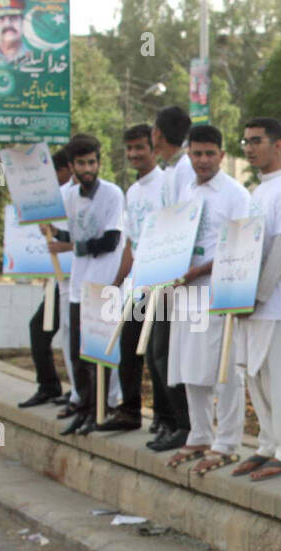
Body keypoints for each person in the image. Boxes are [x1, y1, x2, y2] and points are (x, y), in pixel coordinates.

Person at [163, 125, 252, 474]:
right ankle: (199, 434)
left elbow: (241, 245)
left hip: (219, 290)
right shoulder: (185, 190)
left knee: (223, 367)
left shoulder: (236, 195)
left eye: (209, 154)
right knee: (190, 365)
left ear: (222, 155)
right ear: (189, 155)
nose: (202, 160)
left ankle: (228, 442)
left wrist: (199, 271)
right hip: (186, 291)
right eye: (196, 154)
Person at [230, 117, 281, 482]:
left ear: (278, 145)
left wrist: (258, 296)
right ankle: (268, 445)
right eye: (246, 141)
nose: (249, 148)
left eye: (257, 141)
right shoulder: (257, 192)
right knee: (256, 379)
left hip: (275, 304)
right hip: (248, 304)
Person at [50, 135, 125, 437]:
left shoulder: (112, 194)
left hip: (104, 283)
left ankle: (101, 410)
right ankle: (83, 409)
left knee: (100, 354)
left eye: (92, 161)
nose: (87, 168)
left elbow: (110, 240)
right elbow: (68, 233)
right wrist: (51, 230)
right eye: (81, 163)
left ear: (99, 162)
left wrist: (73, 246)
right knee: (79, 353)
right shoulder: (68, 198)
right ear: (72, 166)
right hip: (80, 283)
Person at [92, 124, 159, 433]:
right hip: (137, 287)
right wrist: (117, 281)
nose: (133, 154)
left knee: (159, 355)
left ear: (153, 147)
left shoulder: (167, 185)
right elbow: (131, 243)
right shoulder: (133, 191)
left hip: (163, 286)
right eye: (129, 149)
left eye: (139, 148)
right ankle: (129, 411)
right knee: (128, 346)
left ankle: (166, 418)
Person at [145, 105, 197, 451]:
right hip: (162, 274)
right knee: (155, 353)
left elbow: (180, 226)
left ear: (157, 135)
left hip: (176, 279)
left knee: (167, 354)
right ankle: (168, 421)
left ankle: (185, 425)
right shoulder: (172, 171)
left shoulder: (183, 171)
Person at [19, 147, 72, 408]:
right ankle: (52, 386)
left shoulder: (69, 197)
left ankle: (69, 391)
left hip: (75, 280)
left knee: (67, 336)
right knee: (42, 329)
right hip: (59, 280)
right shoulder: (59, 198)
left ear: (65, 170)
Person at [0, 0, 34, 65]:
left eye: (13, 17)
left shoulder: (37, 57)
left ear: (22, 22)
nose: (8, 24)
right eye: (1, 18)